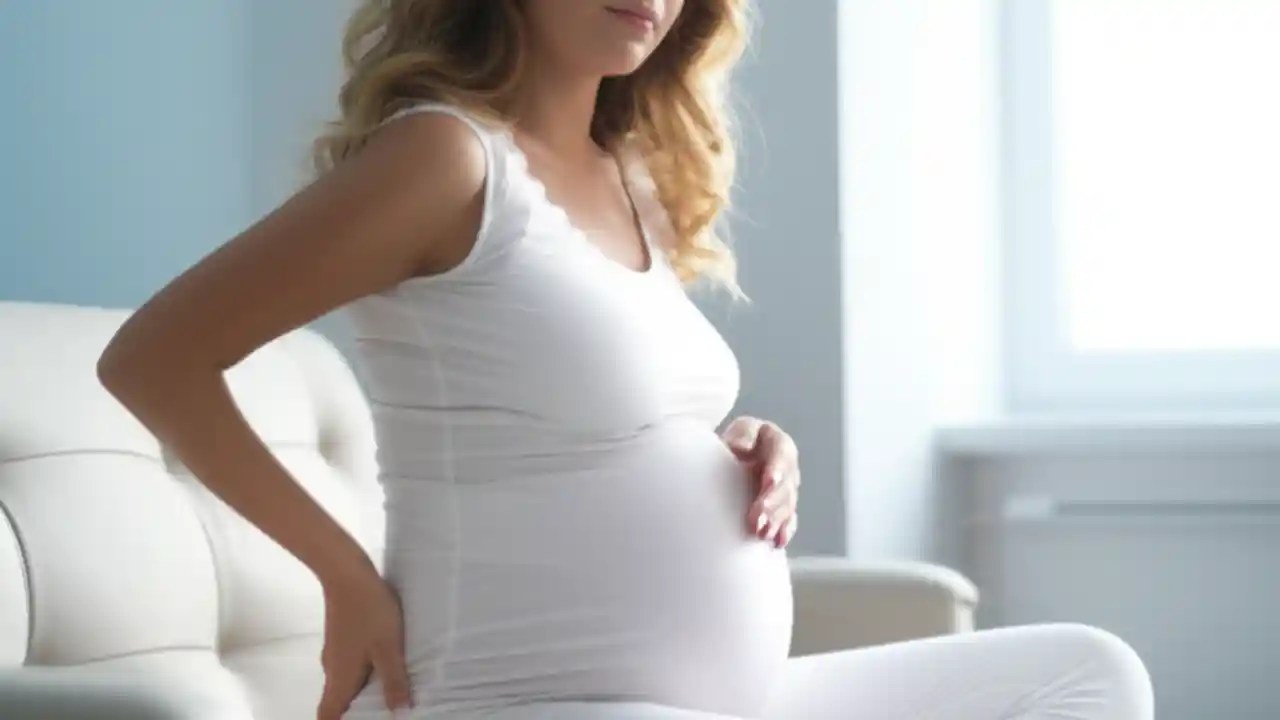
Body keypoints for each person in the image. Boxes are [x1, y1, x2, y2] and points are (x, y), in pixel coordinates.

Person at [96, 1, 1155, 718]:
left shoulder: (629, 175)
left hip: (716, 698)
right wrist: (347, 578)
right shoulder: (443, 155)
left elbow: (593, 409)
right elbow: (153, 358)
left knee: (1085, 674)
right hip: (506, 697)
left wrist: (741, 442)